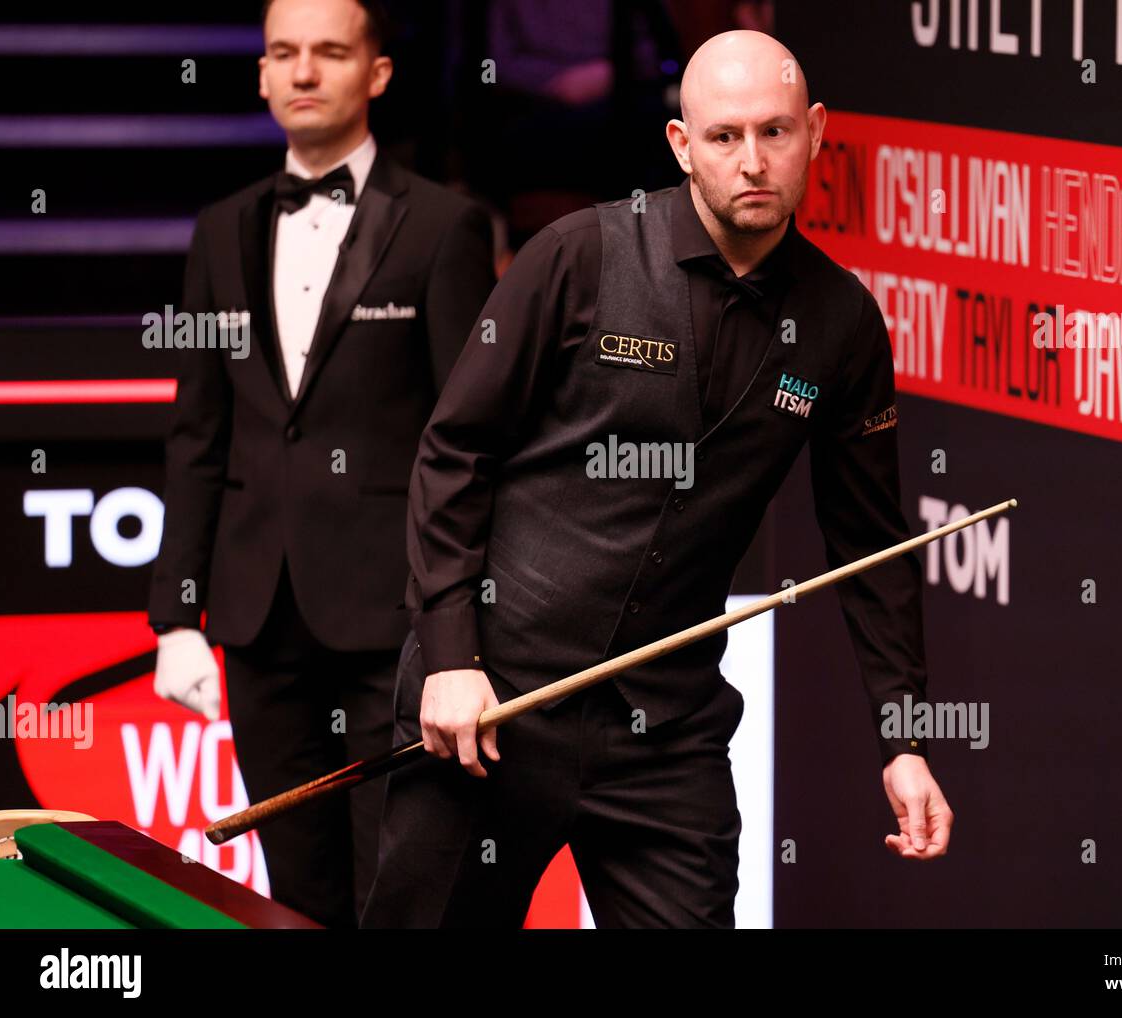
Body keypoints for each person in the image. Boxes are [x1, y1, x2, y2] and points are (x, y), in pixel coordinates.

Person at [362, 29, 951, 929]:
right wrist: (448, 660)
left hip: (666, 736)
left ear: (817, 131)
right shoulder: (577, 257)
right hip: (491, 708)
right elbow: (455, 452)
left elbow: (871, 546)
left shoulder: (841, 323)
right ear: (681, 145)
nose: (752, 160)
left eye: (775, 132)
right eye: (723, 136)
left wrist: (904, 739)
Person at [145, 0, 495, 928]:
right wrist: (177, 614)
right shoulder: (220, 230)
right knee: (296, 892)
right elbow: (198, 431)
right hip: (259, 617)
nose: (304, 72)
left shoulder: (443, 227)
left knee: (403, 886)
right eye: (284, 54)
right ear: (261, 74)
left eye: (330, 52)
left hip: (397, 619)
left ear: (377, 73)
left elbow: (469, 441)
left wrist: (462, 622)